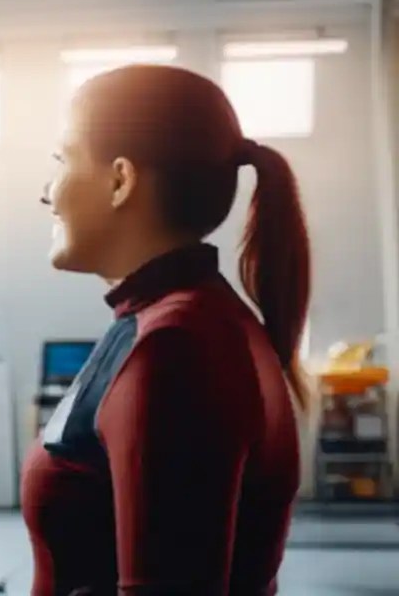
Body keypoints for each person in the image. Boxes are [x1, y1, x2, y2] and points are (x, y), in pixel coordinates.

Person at [24, 64, 310, 595]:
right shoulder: (168, 324)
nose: (48, 192)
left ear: (120, 180)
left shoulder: (177, 347)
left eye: (62, 162)